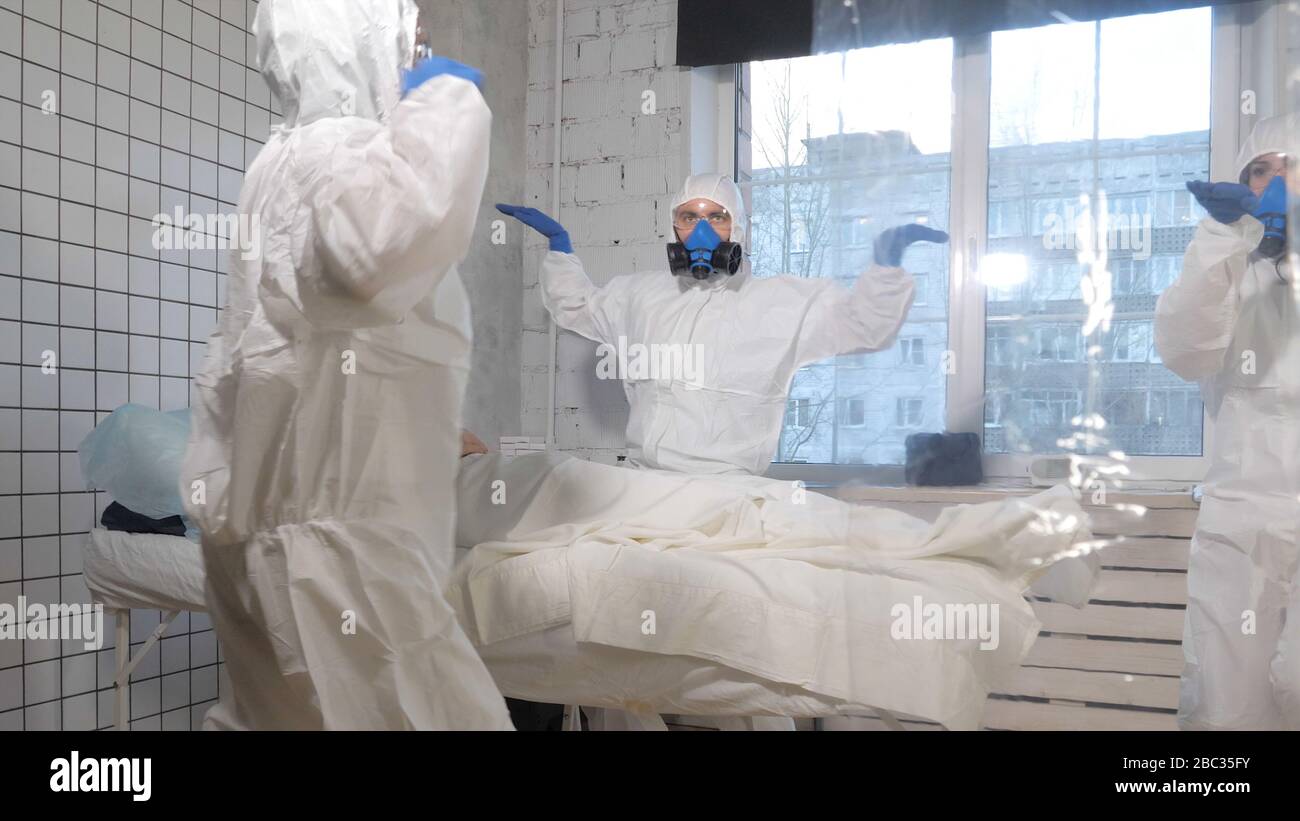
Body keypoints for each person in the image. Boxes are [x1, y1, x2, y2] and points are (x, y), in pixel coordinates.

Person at [181, 0, 513, 730]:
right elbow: (374, 255)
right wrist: (447, 99)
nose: (417, 47)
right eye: (407, 33)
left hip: (276, 533)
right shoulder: (338, 150)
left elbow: (275, 358)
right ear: (353, 34)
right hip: (339, 552)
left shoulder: (277, 165)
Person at [498, 172, 946, 476]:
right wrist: (560, 249)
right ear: (674, 227)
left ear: (740, 228)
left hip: (729, 493)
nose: (702, 230)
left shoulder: (780, 302)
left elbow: (864, 325)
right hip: (644, 485)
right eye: (689, 217)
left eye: (717, 217)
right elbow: (577, 305)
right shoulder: (640, 295)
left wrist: (886, 266)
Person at [1155, 111, 1298, 730]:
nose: (1273, 184)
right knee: (1226, 707)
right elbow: (1185, 351)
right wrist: (1220, 239)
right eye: (1259, 171)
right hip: (1243, 524)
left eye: (1290, 170)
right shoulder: (1229, 274)